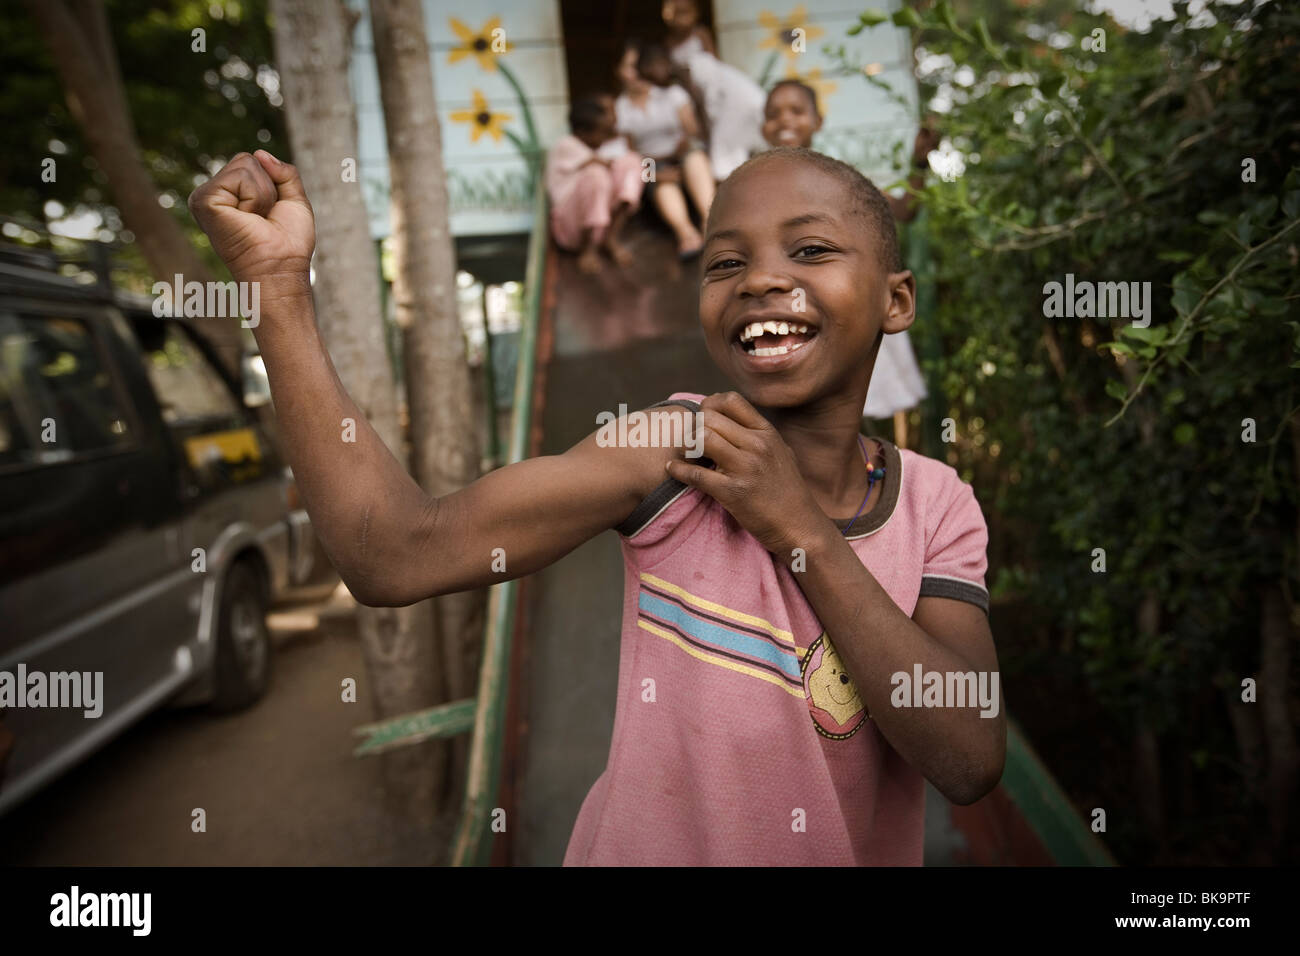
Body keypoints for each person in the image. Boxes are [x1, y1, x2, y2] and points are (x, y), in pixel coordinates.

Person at [188, 145, 1005, 866]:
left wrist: (798, 529)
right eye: (724, 264)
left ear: (896, 300)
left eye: (812, 249)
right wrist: (277, 291)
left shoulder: (936, 504)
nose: (759, 279)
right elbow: (392, 552)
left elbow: (969, 759)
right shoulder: (673, 451)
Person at [763, 79, 933, 439]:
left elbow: (905, 210)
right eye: (774, 113)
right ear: (763, 126)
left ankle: (884, 487)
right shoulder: (754, 189)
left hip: (849, 312)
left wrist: (920, 161)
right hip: (793, 320)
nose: (784, 121)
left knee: (873, 415)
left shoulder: (844, 180)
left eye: (796, 110)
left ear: (818, 121)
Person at [614, 42, 714, 259]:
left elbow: (693, 133)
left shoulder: (672, 94)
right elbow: (631, 155)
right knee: (660, 182)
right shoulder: (620, 108)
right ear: (620, 72)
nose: (635, 73)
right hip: (651, 164)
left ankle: (711, 224)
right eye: (629, 67)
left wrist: (685, 144)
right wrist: (656, 174)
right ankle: (686, 234)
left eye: (638, 66)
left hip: (683, 153)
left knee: (695, 157)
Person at [662, 0, 767, 180]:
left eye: (685, 13)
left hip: (716, 86)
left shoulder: (700, 33)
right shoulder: (668, 42)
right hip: (696, 92)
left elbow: (714, 60)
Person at [545, 94, 642, 274]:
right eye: (602, 131)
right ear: (582, 132)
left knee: (633, 161)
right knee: (596, 175)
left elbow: (639, 167)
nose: (606, 136)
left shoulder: (599, 147)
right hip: (571, 228)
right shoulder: (566, 145)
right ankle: (588, 250)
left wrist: (651, 173)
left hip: (600, 226)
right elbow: (603, 164)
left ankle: (611, 238)